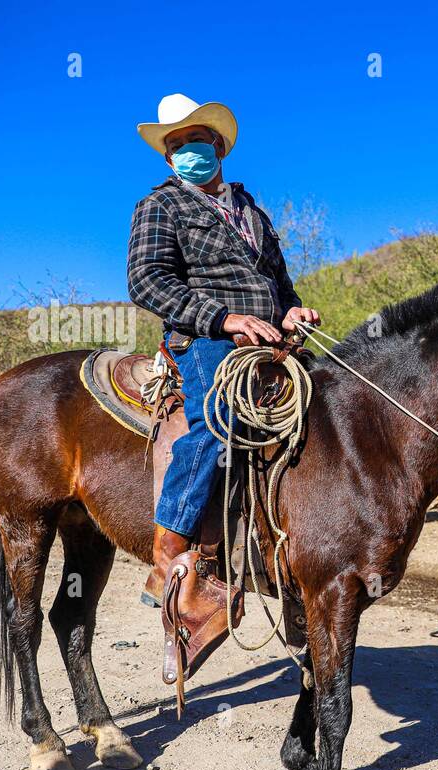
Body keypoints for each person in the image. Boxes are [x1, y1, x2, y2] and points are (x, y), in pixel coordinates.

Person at [127, 93, 319, 655]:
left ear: (219, 146)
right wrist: (223, 318)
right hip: (204, 336)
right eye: (177, 145)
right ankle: (171, 552)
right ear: (168, 158)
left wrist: (291, 312)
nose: (189, 151)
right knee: (218, 416)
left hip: (268, 338)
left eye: (197, 141)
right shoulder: (159, 207)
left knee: (329, 409)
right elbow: (147, 282)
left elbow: (280, 285)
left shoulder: (252, 212)